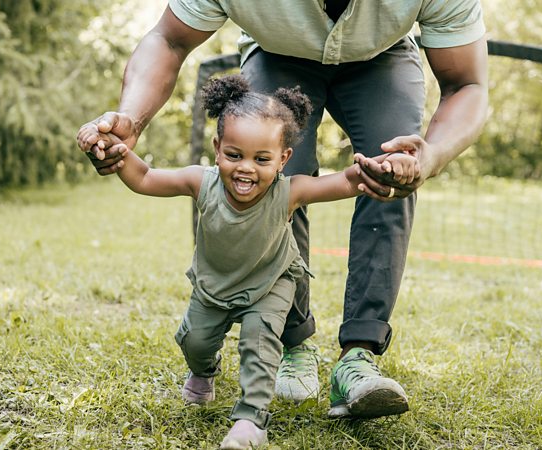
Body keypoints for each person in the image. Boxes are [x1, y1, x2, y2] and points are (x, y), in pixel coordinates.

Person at [77, 0, 488, 419]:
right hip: (277, 53)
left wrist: (432, 156)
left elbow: (466, 84)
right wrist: (131, 117)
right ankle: (292, 341)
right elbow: (169, 38)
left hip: (380, 57)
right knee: (268, 177)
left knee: (391, 173)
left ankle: (358, 357)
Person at [104, 74, 420, 449]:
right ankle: (204, 371)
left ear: (283, 159)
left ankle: (251, 421)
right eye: (234, 155)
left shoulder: (289, 192)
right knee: (196, 341)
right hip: (214, 284)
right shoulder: (200, 182)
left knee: (260, 344)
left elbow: (344, 181)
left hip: (270, 284)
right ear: (218, 147)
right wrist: (116, 152)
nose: (246, 169)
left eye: (262, 159)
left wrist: (379, 167)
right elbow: (144, 177)